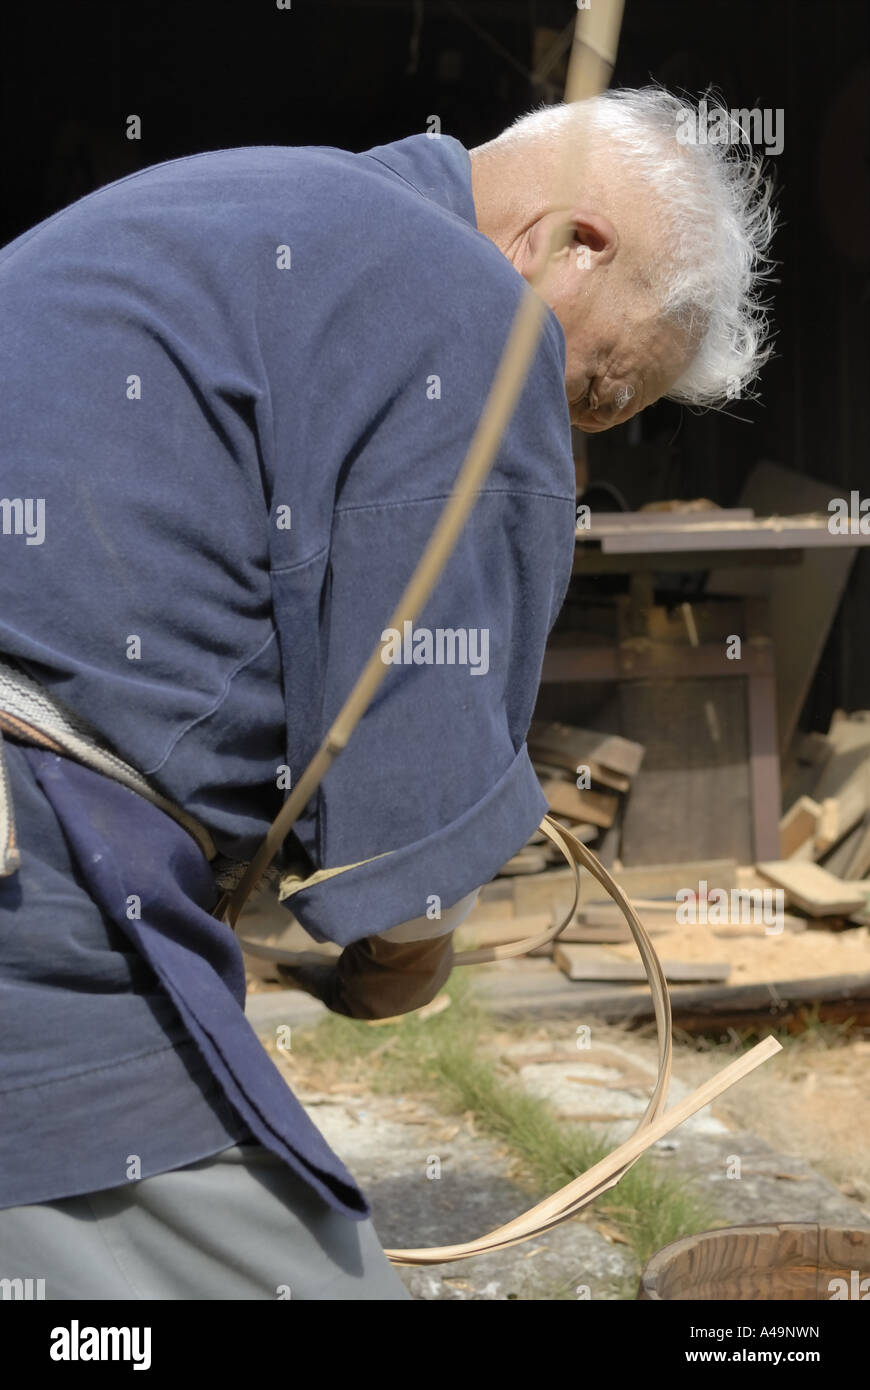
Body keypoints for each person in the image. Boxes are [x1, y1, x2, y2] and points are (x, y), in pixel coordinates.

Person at [0, 88, 774, 1300]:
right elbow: (413, 823)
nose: (568, 450)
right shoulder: (470, 304)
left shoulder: (250, 203)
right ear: (574, 243)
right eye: (596, 394)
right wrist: (408, 948)